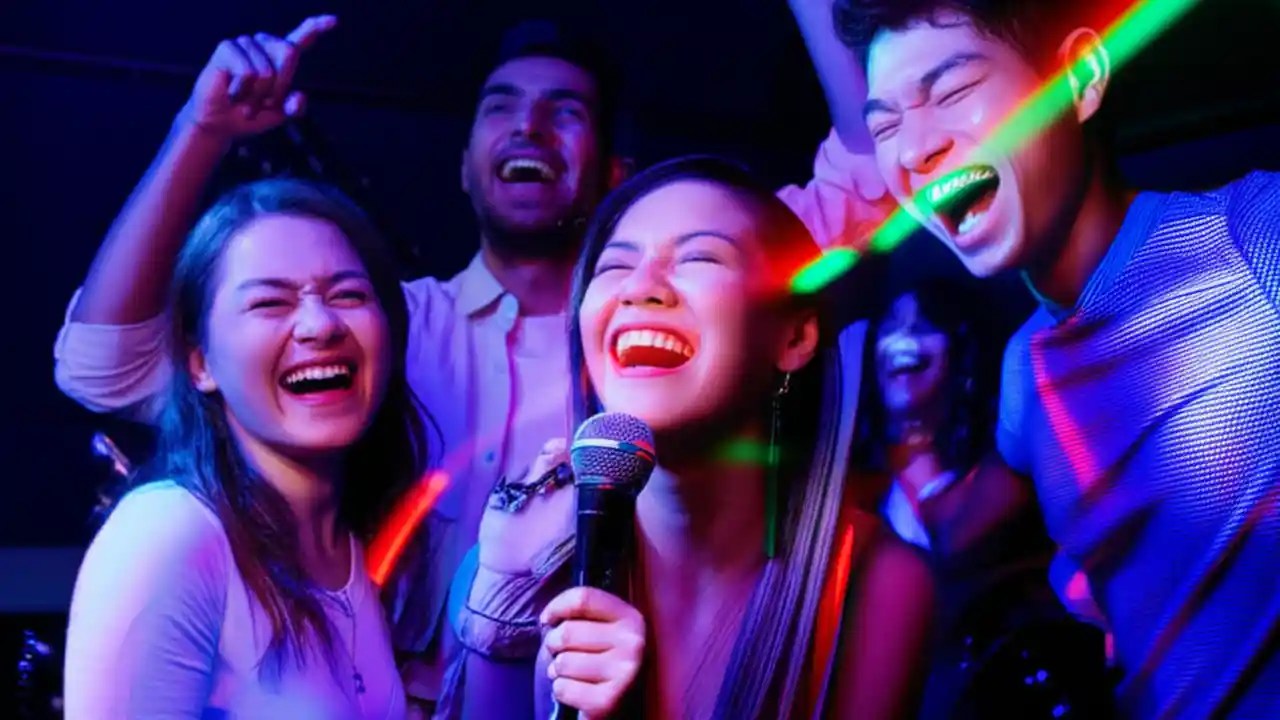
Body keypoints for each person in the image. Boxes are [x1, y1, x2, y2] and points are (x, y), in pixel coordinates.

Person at [51, 12, 891, 715]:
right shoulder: (386, 324)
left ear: (614, 171)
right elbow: (101, 367)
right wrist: (202, 131)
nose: (527, 127)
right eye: (502, 107)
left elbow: (871, 174)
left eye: (565, 111)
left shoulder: (661, 321)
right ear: (465, 162)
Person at [833, 0, 1280, 715]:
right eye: (885, 124)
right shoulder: (1025, 371)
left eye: (950, 91)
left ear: (1080, 78)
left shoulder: (1253, 237)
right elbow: (955, 539)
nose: (913, 150)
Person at [446, 156, 935, 719]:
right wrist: (503, 625)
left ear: (795, 336)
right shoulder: (509, 565)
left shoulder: (874, 584)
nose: (641, 288)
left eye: (700, 257)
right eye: (613, 267)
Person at [62, 178, 428, 718]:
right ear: (200, 363)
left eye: (348, 295)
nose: (320, 324)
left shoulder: (350, 551)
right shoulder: (168, 534)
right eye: (269, 302)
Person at [853, 279, 1110, 718]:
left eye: (925, 324)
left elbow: (955, 548)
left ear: (961, 353)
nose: (905, 338)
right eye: (892, 325)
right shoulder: (852, 496)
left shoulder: (1007, 471)